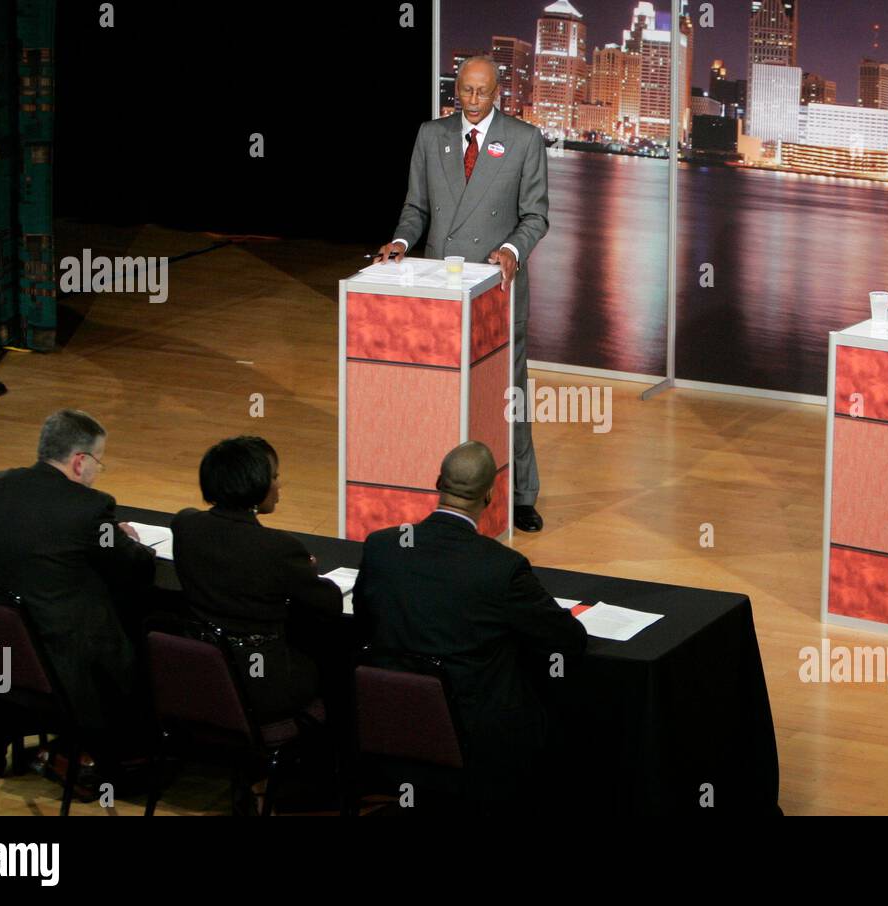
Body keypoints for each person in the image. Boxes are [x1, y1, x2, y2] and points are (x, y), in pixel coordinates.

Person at [353, 441, 587, 808]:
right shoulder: (501, 567)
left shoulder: (383, 546)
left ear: (437, 482)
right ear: (491, 494)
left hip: (390, 718)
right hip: (477, 734)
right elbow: (567, 640)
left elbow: (364, 621)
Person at [375, 55, 550, 532]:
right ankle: (439, 489)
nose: (472, 102)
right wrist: (401, 241)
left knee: (507, 394)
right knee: (442, 391)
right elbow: (415, 207)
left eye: (482, 93)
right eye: (465, 92)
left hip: (497, 289)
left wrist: (513, 249)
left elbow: (536, 215)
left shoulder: (525, 139)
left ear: (498, 93)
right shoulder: (431, 135)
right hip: (442, 293)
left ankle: (520, 495)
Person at [0, 409, 157, 785]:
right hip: (60, 663)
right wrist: (121, 536)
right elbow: (136, 566)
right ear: (80, 461)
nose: (96, 471)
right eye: (98, 462)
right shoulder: (89, 509)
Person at [170, 436, 346, 724]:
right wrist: (307, 572)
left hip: (201, 673)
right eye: (274, 477)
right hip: (264, 685)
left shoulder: (185, 525)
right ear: (256, 483)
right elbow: (329, 604)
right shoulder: (279, 549)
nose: (278, 485)